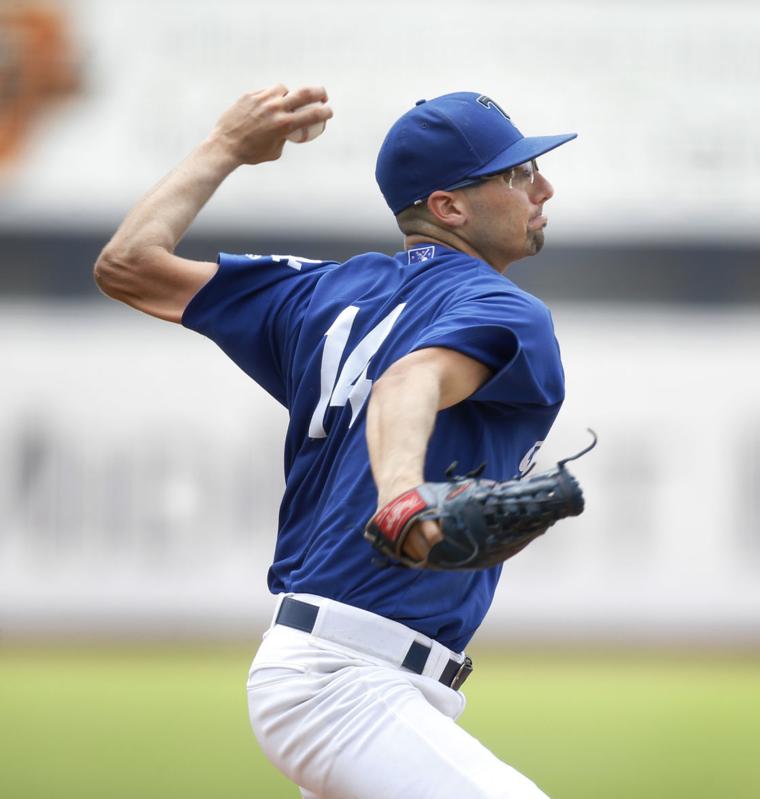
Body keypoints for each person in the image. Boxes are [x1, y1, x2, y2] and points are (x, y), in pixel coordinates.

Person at [94, 84, 576, 799]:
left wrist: (224, 148)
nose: (543, 186)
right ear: (448, 206)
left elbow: (129, 265)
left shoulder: (324, 294)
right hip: (347, 682)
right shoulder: (505, 308)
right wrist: (403, 499)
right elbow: (406, 383)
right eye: (516, 174)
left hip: (345, 677)